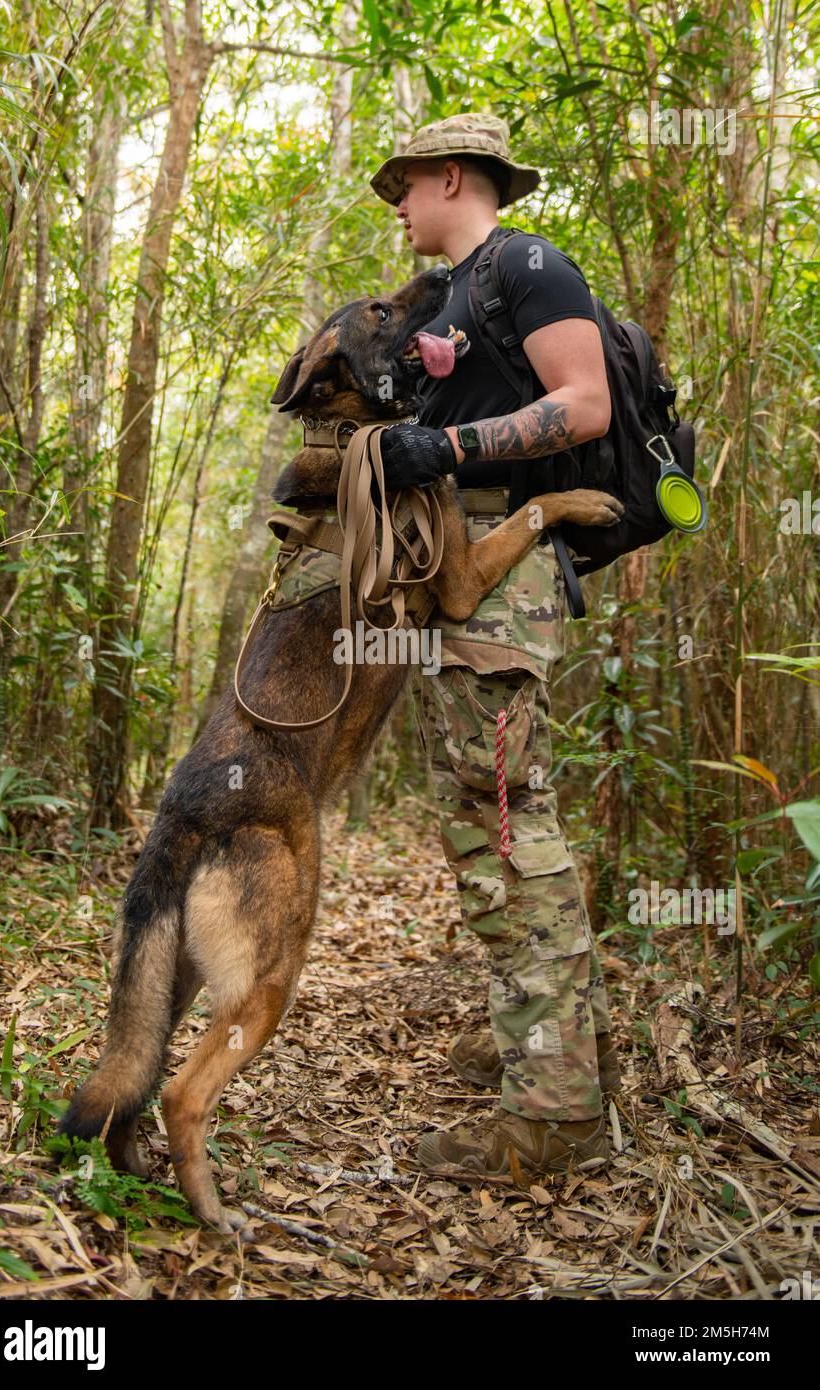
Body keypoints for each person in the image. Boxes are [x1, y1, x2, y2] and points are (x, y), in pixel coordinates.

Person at [370, 113, 621, 1177]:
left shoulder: (524, 262)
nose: (396, 209)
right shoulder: (449, 294)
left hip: (505, 579)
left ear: (449, 177)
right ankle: (549, 1035)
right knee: (486, 815)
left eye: (405, 190)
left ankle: (553, 1113)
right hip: (456, 573)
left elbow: (583, 401)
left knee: (507, 819)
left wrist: (450, 442)